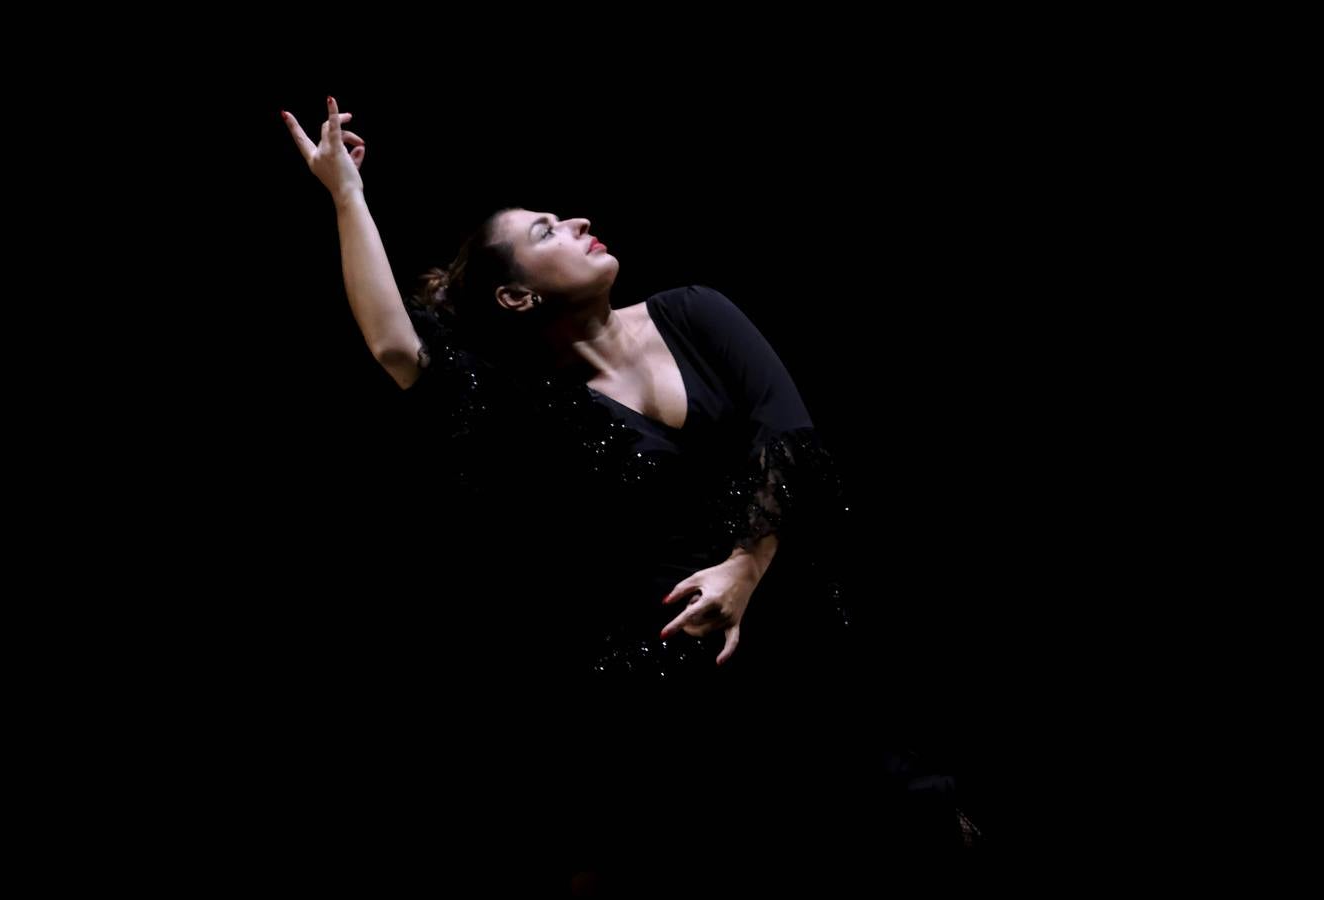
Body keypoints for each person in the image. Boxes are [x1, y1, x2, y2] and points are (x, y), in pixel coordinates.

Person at [284, 97, 974, 889]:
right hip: (673, 679)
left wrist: (745, 568)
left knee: (897, 830)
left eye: (563, 217)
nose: (576, 222)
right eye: (545, 231)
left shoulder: (695, 312)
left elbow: (791, 439)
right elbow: (395, 345)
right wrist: (347, 192)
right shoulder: (534, 399)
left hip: (800, 635)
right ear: (517, 296)